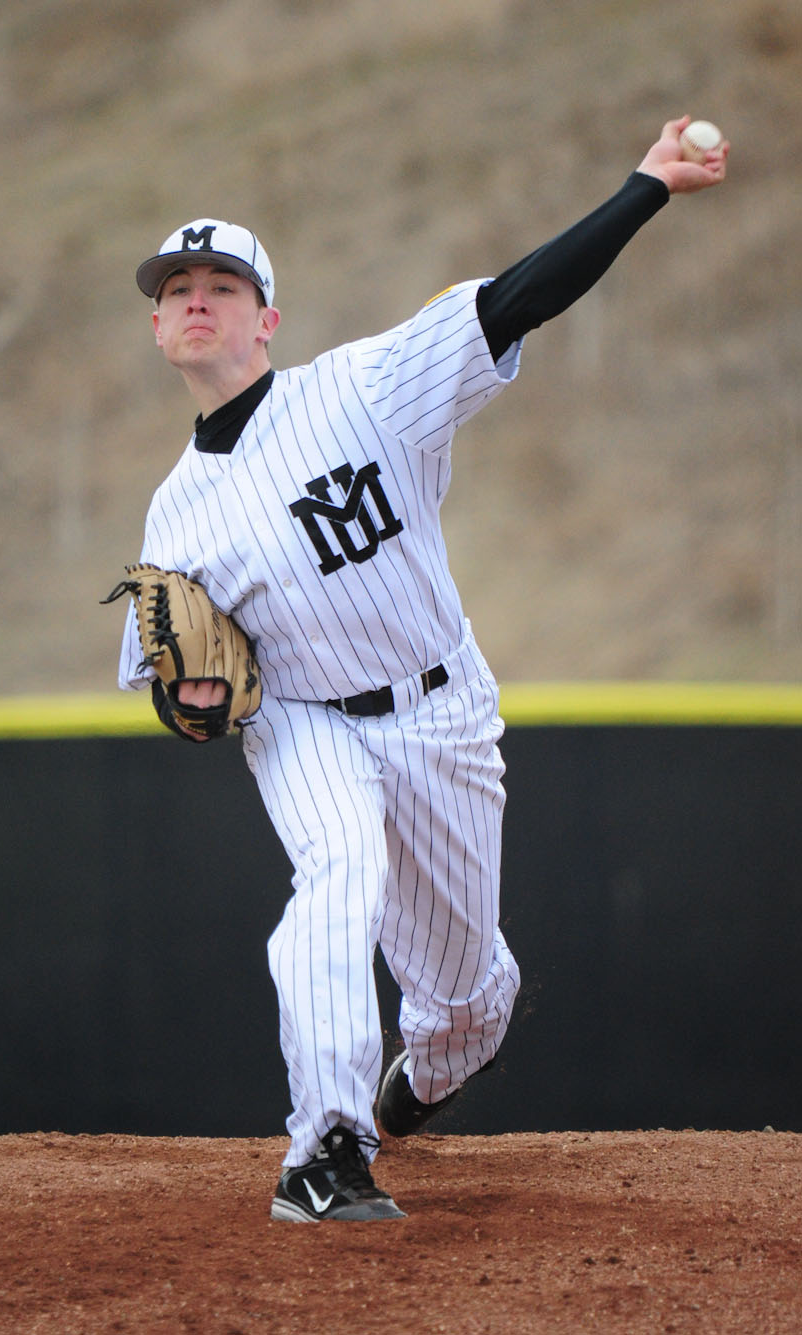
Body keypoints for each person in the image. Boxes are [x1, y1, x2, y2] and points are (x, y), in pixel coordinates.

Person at [116, 116, 728, 1222]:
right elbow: (179, 697)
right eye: (177, 287)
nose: (197, 296)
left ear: (268, 318)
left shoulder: (360, 390)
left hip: (440, 711)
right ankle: (327, 1149)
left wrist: (643, 187)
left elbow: (516, 300)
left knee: (471, 1004)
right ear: (160, 326)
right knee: (336, 877)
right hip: (305, 727)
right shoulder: (172, 515)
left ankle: (421, 1076)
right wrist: (193, 703)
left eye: (223, 281)